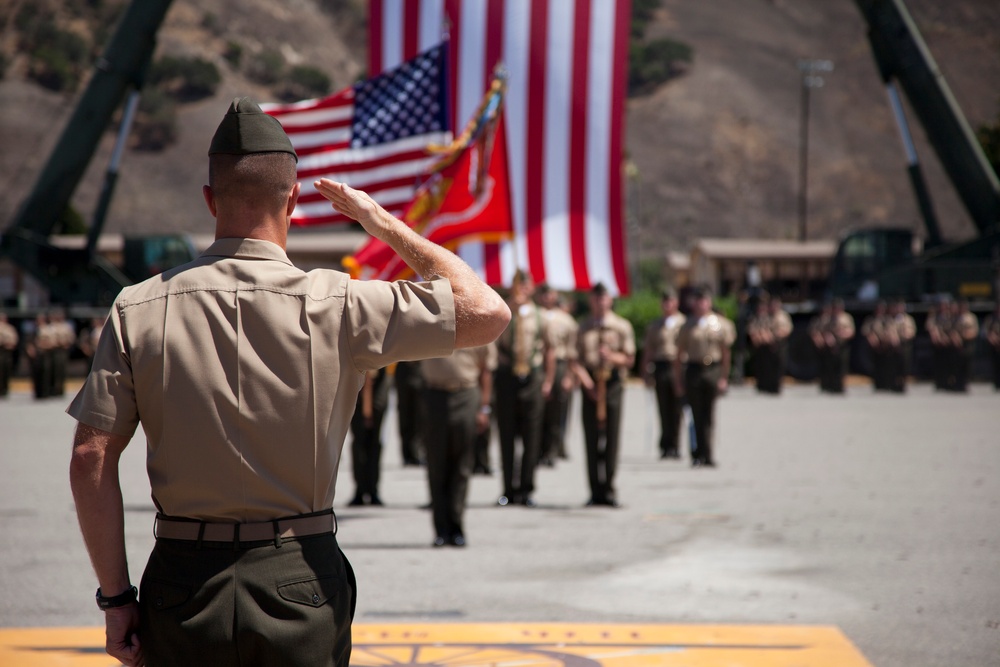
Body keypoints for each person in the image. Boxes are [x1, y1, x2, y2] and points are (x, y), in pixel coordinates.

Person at [67, 97, 510, 667]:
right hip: (299, 577)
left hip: (181, 583)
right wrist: (382, 224)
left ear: (210, 199)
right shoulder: (340, 303)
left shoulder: (138, 306)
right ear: (294, 199)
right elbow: (486, 311)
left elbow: (90, 458)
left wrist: (116, 598)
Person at [421, 342, 497, 547]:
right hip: (435, 394)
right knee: (436, 465)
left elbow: (486, 370)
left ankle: (456, 526)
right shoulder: (429, 325)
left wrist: (484, 408)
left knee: (462, 465)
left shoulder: (477, 328)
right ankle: (440, 530)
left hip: (466, 393)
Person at [571, 283, 636, 506]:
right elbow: (575, 360)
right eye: (596, 298)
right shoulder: (583, 327)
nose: (600, 302)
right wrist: (587, 383)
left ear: (610, 300)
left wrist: (611, 357)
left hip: (612, 383)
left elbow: (629, 359)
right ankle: (594, 491)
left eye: (604, 298)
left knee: (611, 436)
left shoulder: (621, 326)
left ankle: (609, 488)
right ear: (591, 301)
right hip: (590, 383)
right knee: (591, 438)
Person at [493, 269, 554, 507]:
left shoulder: (541, 316)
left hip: (532, 377)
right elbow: (493, 343)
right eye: (517, 285)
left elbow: (549, 349)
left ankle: (527, 489)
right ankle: (508, 489)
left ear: (532, 289)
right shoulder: (502, 311)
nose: (521, 289)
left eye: (525, 285)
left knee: (532, 435)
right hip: (507, 377)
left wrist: (548, 381)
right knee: (506, 435)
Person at [673, 286, 735, 468]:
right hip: (694, 369)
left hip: (712, 369)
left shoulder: (720, 324)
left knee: (709, 413)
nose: (701, 304)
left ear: (709, 303)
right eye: (698, 301)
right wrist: (678, 380)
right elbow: (679, 354)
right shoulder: (687, 325)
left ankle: (708, 453)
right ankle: (697, 452)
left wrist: (724, 377)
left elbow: (726, 353)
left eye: (704, 301)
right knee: (695, 413)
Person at [641, 289, 685, 458]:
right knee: (663, 407)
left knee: (677, 408)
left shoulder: (684, 323)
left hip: (678, 366)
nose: (667, 305)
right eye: (665, 301)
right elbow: (648, 350)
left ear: (676, 302)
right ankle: (665, 445)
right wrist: (645, 372)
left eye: (670, 301)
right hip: (661, 366)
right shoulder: (655, 325)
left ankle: (675, 444)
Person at [537, 284, 578, 466]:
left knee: (557, 411)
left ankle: (553, 450)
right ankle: (537, 450)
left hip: (560, 365)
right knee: (537, 411)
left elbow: (572, 352)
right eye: (544, 293)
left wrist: (569, 376)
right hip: (538, 365)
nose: (547, 297)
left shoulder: (566, 320)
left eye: (550, 293)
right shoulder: (533, 315)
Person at [347, 366, 390, 506]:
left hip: (377, 391)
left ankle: (373, 489)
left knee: (375, 443)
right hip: (357, 391)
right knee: (358, 443)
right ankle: (359, 489)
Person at [748, 294, 792, 394]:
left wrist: (773, 336)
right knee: (766, 366)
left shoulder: (782, 316)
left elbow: (786, 330)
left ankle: (776, 386)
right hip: (767, 344)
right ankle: (767, 386)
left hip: (779, 344)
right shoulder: (767, 316)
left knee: (778, 366)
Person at [810, 299, 854, 393]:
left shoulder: (846, 318)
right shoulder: (828, 319)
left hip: (842, 345)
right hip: (830, 346)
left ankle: (840, 387)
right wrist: (826, 338)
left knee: (842, 367)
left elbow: (851, 331)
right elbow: (821, 330)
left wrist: (842, 334)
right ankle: (830, 386)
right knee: (830, 366)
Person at [394, 360, 426, 466]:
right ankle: (406, 453)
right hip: (403, 369)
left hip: (420, 369)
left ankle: (417, 453)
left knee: (420, 415)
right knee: (404, 414)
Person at [885, 299, 916, 393]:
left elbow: (911, 332)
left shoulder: (907, 319)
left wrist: (903, 336)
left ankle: (902, 384)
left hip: (904, 345)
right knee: (893, 366)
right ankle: (893, 384)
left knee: (904, 366)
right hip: (893, 346)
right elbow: (888, 330)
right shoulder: (891, 319)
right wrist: (893, 338)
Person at [860, 301, 890, 391]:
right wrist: (872, 338)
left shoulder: (887, 320)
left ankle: (886, 383)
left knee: (886, 365)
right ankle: (877, 384)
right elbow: (865, 331)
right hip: (874, 346)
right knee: (875, 365)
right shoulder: (871, 320)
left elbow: (891, 331)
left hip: (885, 345)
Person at [0, 313, 18, 397]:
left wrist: (9, 344)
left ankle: (5, 389)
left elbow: (14, 340)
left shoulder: (10, 329)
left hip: (6, 352)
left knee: (6, 370)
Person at [983, 302, 1000, 390]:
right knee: (995, 365)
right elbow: (985, 330)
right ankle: (996, 383)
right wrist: (991, 337)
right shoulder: (991, 319)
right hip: (993, 345)